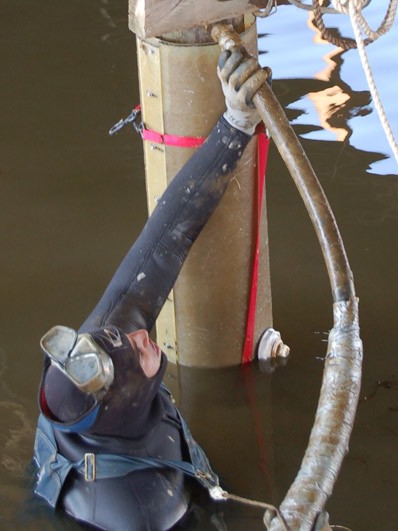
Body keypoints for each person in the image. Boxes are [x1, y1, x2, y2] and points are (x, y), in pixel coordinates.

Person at [32, 48, 269, 530]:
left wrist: (236, 125)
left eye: (122, 336)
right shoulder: (147, 512)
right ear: (116, 404)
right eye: (134, 350)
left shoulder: (99, 357)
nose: (141, 334)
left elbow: (166, 235)